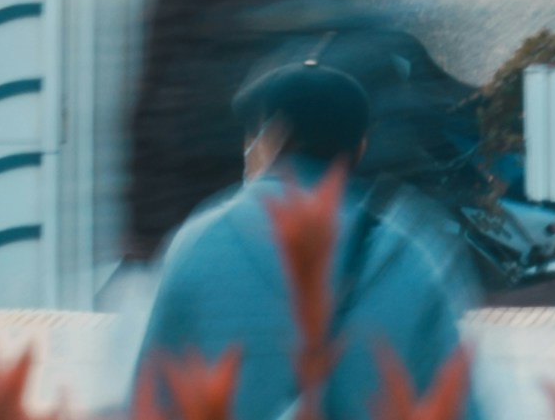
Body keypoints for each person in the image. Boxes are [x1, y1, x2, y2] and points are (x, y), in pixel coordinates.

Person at [117, 62, 471, 420]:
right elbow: (462, 406)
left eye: (251, 135)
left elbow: (149, 402)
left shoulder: (197, 246)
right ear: (360, 147)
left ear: (268, 140)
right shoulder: (411, 252)